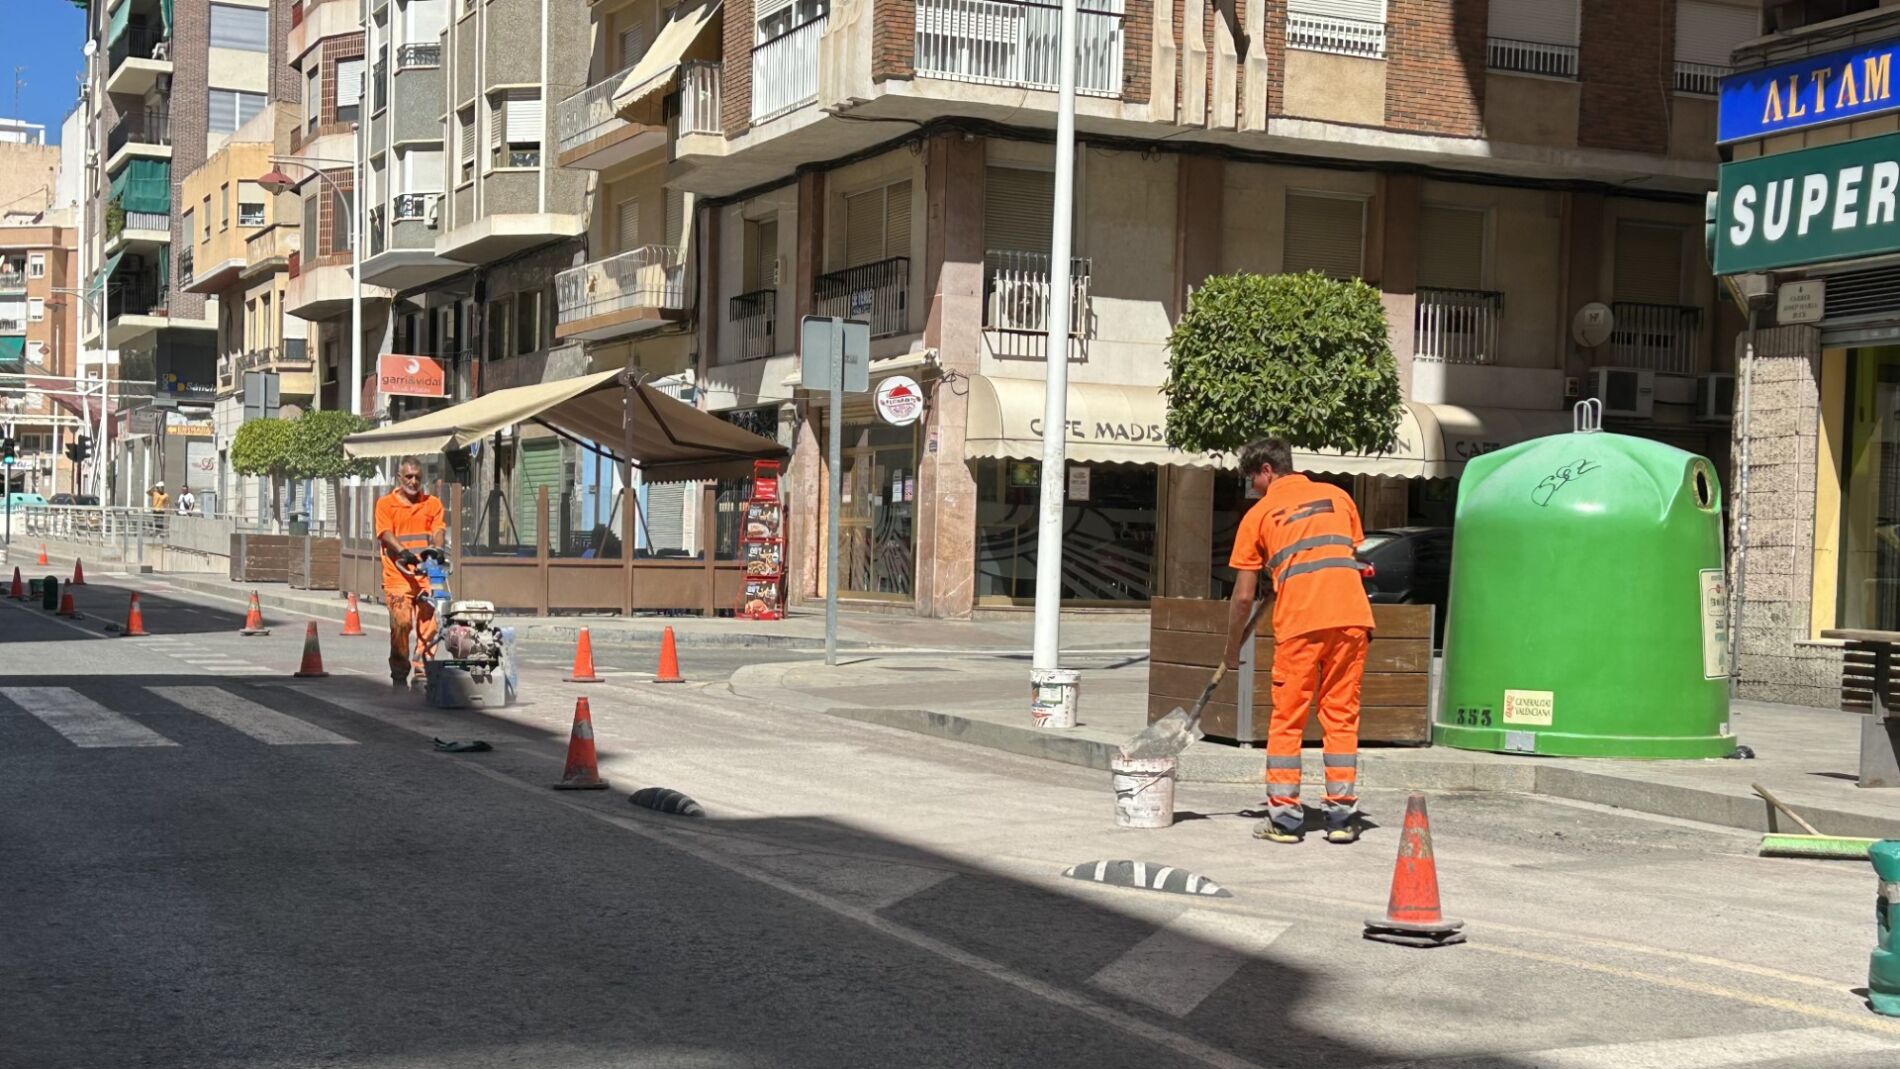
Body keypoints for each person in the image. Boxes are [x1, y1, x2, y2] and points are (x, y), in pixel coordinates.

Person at [1221, 437, 1375, 845]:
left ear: (1267, 470)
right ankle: (1341, 818)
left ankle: (1285, 819)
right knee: (1340, 716)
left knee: (1287, 720)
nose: (1251, 485)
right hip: (1351, 619)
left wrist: (1232, 648)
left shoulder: (1258, 515)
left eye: (1251, 477)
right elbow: (1343, 554)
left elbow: (1241, 599)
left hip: (1300, 624)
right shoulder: (1338, 497)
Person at [375, 457, 446, 687]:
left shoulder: (432, 504)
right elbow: (385, 533)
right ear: (399, 477)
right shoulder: (386, 504)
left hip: (428, 572)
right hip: (398, 574)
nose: (413, 481)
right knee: (402, 622)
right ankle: (399, 669)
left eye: (417, 477)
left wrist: (437, 549)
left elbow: (438, 530)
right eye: (409, 477)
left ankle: (423, 666)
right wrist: (403, 552)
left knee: (431, 621)